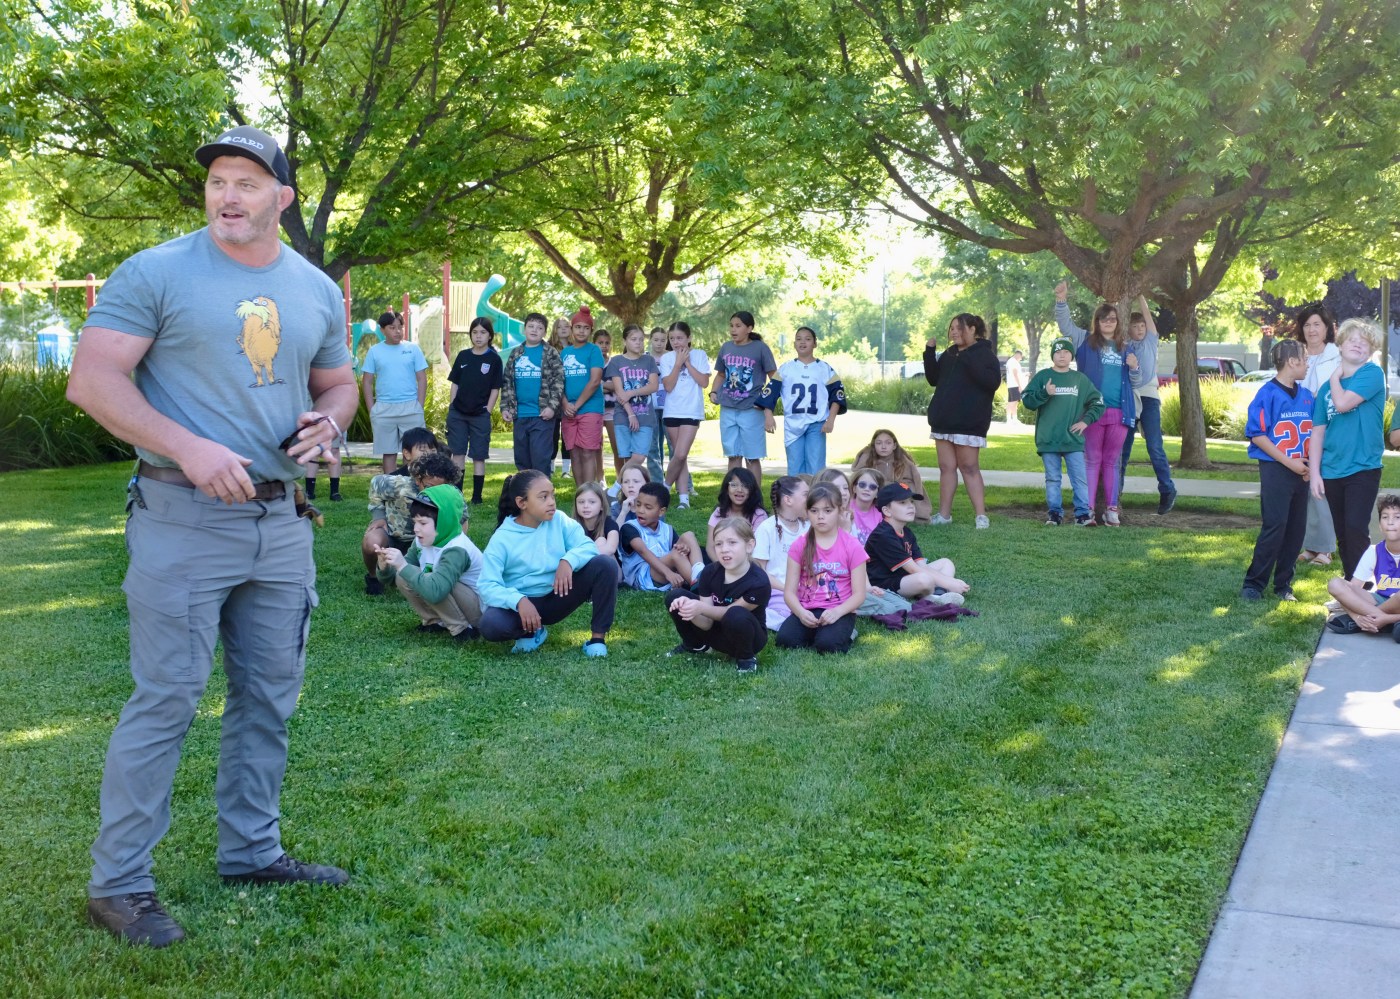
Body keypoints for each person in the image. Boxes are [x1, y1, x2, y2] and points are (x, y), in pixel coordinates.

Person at [66, 125, 359, 948]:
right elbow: (91, 379)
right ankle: (119, 883)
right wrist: (187, 447)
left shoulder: (314, 288)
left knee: (269, 694)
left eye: (247, 183)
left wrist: (330, 424)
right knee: (166, 698)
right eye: (218, 181)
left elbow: (339, 383)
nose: (228, 195)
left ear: (283, 199)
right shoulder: (156, 272)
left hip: (281, 520)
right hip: (181, 515)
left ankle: (252, 850)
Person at [477, 470, 617, 656]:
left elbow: (587, 546)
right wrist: (518, 601)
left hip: (557, 596)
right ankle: (530, 632)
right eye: (543, 497)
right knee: (491, 625)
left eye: (552, 495)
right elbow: (487, 585)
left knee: (605, 565)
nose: (551, 502)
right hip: (522, 607)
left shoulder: (559, 519)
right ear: (522, 503)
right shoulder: (502, 538)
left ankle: (597, 639)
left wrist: (568, 561)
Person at [1309, 319, 1386, 581]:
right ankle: (1352, 587)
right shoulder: (1325, 391)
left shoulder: (1372, 374)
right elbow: (1318, 433)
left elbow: (1342, 404)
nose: (1357, 344)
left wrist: (1334, 377)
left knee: (1355, 529)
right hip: (1332, 470)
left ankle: (1363, 590)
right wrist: (1315, 474)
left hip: (1363, 467)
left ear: (1371, 350)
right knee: (1343, 533)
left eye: (1364, 342)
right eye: (1352, 340)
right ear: (1340, 346)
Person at [1054, 282, 1136, 526]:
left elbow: (1136, 381)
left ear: (1118, 322)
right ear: (1097, 322)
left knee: (1111, 462)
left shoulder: (1126, 348)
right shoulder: (1084, 341)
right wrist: (1061, 301)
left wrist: (1135, 368)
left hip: (1120, 413)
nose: (1108, 322)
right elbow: (1066, 326)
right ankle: (1087, 509)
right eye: (1104, 319)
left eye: (1112, 319)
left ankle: (1111, 510)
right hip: (1091, 412)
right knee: (1092, 460)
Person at [1240, 340, 1313, 601]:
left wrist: (1310, 465)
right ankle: (1253, 584)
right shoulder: (1267, 394)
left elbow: (1316, 433)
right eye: (1305, 359)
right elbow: (1257, 435)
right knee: (1275, 525)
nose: (1307, 365)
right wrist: (1289, 462)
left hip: (1302, 472)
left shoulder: (1307, 396)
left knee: (1296, 529)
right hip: (1276, 469)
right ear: (1292, 362)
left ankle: (1284, 585)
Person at [374, 484, 484, 639]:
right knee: (405, 575)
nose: (416, 529)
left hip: (478, 611)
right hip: (450, 595)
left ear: (443, 521)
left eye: (423, 523)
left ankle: (463, 629)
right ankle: (435, 622)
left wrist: (403, 565)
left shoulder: (457, 549)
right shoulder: (422, 540)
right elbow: (397, 578)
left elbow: (435, 592)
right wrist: (384, 567)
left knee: (427, 577)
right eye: (415, 522)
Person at [664, 517, 771, 674]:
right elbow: (706, 623)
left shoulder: (759, 581)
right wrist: (689, 609)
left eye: (732, 542)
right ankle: (694, 645)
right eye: (719, 544)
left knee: (735, 613)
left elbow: (728, 613)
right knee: (676, 596)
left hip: (748, 637)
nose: (724, 549)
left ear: (749, 545)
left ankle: (746, 659)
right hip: (715, 632)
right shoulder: (709, 572)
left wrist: (700, 608)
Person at [924, 312, 1000, 528]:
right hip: (943, 421)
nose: (953, 332)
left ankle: (981, 516)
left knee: (969, 467)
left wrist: (967, 357)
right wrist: (929, 353)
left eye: (959, 328)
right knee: (946, 467)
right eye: (952, 328)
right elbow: (933, 379)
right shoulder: (949, 354)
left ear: (972, 330)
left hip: (968, 423)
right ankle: (944, 515)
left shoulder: (985, 355)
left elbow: (991, 383)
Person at [1020, 335, 1104, 526]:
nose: (1062, 355)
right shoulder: (1043, 376)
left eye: (1066, 352)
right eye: (1058, 352)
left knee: (1079, 480)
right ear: (1052, 355)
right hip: (1048, 439)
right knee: (1052, 479)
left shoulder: (1079, 379)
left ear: (1071, 356)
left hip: (1073, 440)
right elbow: (1027, 401)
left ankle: (1082, 515)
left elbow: (1098, 402)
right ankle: (1054, 514)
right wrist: (1044, 393)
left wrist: (1086, 422)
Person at [777, 483, 869, 654]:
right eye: (814, 511)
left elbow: (859, 595)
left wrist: (838, 612)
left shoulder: (852, 545)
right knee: (785, 640)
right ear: (807, 512)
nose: (820, 516)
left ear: (840, 511)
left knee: (827, 645)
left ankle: (847, 633)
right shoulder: (799, 545)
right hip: (808, 608)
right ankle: (818, 632)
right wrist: (801, 612)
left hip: (840, 610)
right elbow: (789, 592)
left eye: (827, 511)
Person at [361, 432, 450, 594]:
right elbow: (375, 488)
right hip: (394, 536)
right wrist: (379, 517)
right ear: (407, 454)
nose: (429, 455)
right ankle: (374, 577)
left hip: (425, 539)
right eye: (423, 450)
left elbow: (458, 513)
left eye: (432, 450)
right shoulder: (394, 480)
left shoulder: (442, 480)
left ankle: (433, 573)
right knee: (372, 540)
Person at [864, 483, 969, 605]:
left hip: (905, 576)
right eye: (902, 502)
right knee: (924, 579)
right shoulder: (882, 535)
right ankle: (936, 594)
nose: (910, 506)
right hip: (884, 584)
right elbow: (913, 569)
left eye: (911, 502)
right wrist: (949, 583)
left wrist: (949, 581)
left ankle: (936, 593)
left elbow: (921, 565)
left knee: (946, 563)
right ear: (887, 511)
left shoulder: (907, 532)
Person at [1119, 300, 1178, 514]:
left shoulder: (1150, 342)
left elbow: (1149, 319)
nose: (1140, 329)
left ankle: (1167, 489)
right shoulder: (1124, 346)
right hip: (1129, 399)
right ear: (1128, 329)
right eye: (1135, 326)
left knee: (1154, 446)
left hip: (1149, 398)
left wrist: (1141, 297)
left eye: (1142, 326)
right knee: (1123, 449)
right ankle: (1115, 494)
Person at [761, 326, 844, 476]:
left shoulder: (824, 369)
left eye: (807, 339)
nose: (803, 342)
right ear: (794, 344)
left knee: (816, 467)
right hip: (793, 424)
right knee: (795, 468)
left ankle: (816, 492)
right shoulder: (786, 369)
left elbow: (837, 395)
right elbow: (770, 394)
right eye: (799, 339)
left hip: (817, 423)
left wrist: (831, 420)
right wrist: (768, 416)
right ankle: (796, 491)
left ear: (815, 343)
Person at [1294, 304, 1341, 566]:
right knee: (1305, 485)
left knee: (1322, 484)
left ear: (1327, 328)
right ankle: (1311, 546)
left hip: (1328, 428)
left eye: (1317, 324)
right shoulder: (1296, 354)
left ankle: (1326, 549)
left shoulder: (1337, 355)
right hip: (1299, 429)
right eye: (1307, 325)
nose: (1311, 330)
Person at [711, 310, 777, 490]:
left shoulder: (760, 348)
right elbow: (721, 375)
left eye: (738, 326)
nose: (733, 329)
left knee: (752, 457)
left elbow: (774, 378)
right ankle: (733, 494)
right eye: (731, 326)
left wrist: (767, 407)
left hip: (751, 409)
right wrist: (713, 392)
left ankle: (754, 498)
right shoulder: (726, 347)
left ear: (749, 328)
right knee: (733, 455)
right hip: (728, 408)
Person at [362, 309, 428, 474]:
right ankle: (390, 485)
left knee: (413, 451)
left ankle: (412, 484)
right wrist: (372, 410)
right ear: (382, 330)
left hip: (410, 407)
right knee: (389, 452)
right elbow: (367, 381)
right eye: (392, 327)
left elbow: (422, 378)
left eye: (400, 327)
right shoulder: (374, 351)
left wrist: (419, 406)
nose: (397, 331)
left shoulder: (413, 349)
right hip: (384, 409)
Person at [446, 316, 503, 504]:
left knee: (479, 455)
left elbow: (495, 388)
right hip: (458, 413)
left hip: (480, 415)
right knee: (458, 453)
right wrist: (452, 405)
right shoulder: (463, 356)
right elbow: (455, 383)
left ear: (490, 336)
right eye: (475, 332)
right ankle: (457, 494)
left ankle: (477, 497)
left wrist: (488, 410)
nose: (478, 336)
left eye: (483, 332)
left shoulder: (494, 359)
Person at [500, 313, 564, 475]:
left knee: (540, 458)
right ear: (524, 329)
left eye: (539, 328)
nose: (534, 330)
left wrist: (552, 407)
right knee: (522, 460)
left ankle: (543, 489)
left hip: (542, 415)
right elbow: (507, 381)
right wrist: (505, 407)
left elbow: (559, 382)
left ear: (545, 332)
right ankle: (526, 490)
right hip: (520, 415)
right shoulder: (516, 353)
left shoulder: (550, 353)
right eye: (531, 326)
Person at [1326, 495, 1400, 635]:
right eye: (1385, 517)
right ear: (1380, 525)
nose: (1390, 522)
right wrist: (1357, 617)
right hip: (1380, 599)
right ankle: (1377, 621)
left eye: (1397, 517)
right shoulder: (1374, 551)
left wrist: (1385, 618)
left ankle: (1381, 621)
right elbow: (1350, 593)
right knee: (1335, 584)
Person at [658, 321, 709, 509]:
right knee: (681, 457)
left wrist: (687, 362)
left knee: (680, 454)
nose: (676, 342)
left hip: (691, 410)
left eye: (679, 338)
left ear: (689, 338)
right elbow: (668, 386)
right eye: (672, 339)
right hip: (672, 411)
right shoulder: (666, 358)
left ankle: (663, 489)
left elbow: (704, 382)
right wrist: (678, 364)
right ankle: (683, 499)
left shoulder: (699, 355)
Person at [619, 482, 704, 591]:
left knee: (688, 536)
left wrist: (684, 549)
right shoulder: (629, 527)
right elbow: (643, 552)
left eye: (648, 507)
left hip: (665, 570)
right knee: (675, 555)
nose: (640, 510)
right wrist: (668, 573)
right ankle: (703, 588)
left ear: (661, 511)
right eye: (638, 504)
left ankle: (699, 573)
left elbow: (679, 550)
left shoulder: (667, 529)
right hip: (643, 577)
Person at [752, 475, 810, 631]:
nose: (811, 499)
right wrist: (788, 589)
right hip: (779, 590)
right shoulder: (767, 528)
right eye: (806, 495)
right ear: (788, 500)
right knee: (786, 613)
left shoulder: (809, 527)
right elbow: (760, 571)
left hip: (807, 589)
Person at [605, 324, 661, 477]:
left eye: (641, 340)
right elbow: (619, 392)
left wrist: (632, 392)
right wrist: (630, 414)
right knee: (627, 458)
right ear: (625, 341)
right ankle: (628, 489)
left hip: (645, 416)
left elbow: (654, 386)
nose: (638, 343)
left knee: (639, 457)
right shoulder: (616, 361)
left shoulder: (649, 360)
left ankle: (616, 486)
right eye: (634, 339)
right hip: (623, 416)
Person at [560, 306, 606, 488]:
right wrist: (565, 404)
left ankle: (590, 492)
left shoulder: (594, 350)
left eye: (586, 328)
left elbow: (595, 381)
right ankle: (580, 493)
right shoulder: (565, 353)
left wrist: (576, 405)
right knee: (574, 452)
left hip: (590, 408)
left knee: (587, 451)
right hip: (568, 411)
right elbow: (558, 382)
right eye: (578, 327)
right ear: (572, 329)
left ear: (590, 331)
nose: (581, 331)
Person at [851, 429, 932, 524]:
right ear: (874, 445)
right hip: (875, 493)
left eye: (888, 443)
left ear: (894, 446)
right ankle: (869, 512)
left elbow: (916, 482)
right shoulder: (867, 459)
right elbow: (856, 479)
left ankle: (899, 512)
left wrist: (921, 510)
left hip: (896, 492)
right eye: (879, 443)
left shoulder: (903, 460)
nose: (883, 447)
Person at [706, 467, 768, 561]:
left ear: (752, 491)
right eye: (734, 485)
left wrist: (737, 568)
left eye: (745, 486)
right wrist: (722, 566)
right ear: (727, 489)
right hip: (720, 562)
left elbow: (757, 550)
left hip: (747, 564)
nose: (739, 489)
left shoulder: (759, 515)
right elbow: (710, 547)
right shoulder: (719, 512)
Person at [573, 482, 621, 580]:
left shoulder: (609, 523)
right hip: (586, 570)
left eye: (592, 502)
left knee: (601, 540)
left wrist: (579, 557)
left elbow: (610, 549)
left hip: (613, 573)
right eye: (581, 502)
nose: (586, 506)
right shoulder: (573, 525)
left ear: (602, 506)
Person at [646, 326, 671, 483]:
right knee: (652, 446)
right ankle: (656, 481)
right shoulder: (645, 358)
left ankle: (683, 483)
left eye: (662, 340)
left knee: (674, 446)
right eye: (656, 340)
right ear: (650, 340)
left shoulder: (672, 357)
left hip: (670, 407)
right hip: (650, 406)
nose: (659, 343)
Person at [849, 467, 885, 543]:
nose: (867, 489)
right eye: (862, 485)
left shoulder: (879, 516)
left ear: (878, 493)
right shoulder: (846, 508)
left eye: (872, 487)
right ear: (854, 488)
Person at [1004, 349, 1026, 423]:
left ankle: (1014, 418)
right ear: (1018, 355)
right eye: (1021, 357)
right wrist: (1020, 385)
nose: (1021, 359)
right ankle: (1009, 419)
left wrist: (1024, 375)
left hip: (1012, 384)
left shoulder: (1010, 361)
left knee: (1015, 402)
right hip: (1014, 384)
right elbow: (1015, 373)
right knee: (1012, 402)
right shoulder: (1014, 362)